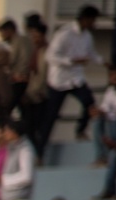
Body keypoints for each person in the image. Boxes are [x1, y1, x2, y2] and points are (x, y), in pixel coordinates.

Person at [36, 5, 101, 158]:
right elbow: (50, 56)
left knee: (89, 102)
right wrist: (71, 61)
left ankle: (80, 130)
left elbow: (91, 53)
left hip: (75, 79)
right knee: (50, 117)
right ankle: (39, 153)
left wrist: (103, 62)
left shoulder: (87, 36)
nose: (94, 24)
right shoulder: (64, 33)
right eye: (92, 20)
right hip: (59, 81)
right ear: (85, 19)